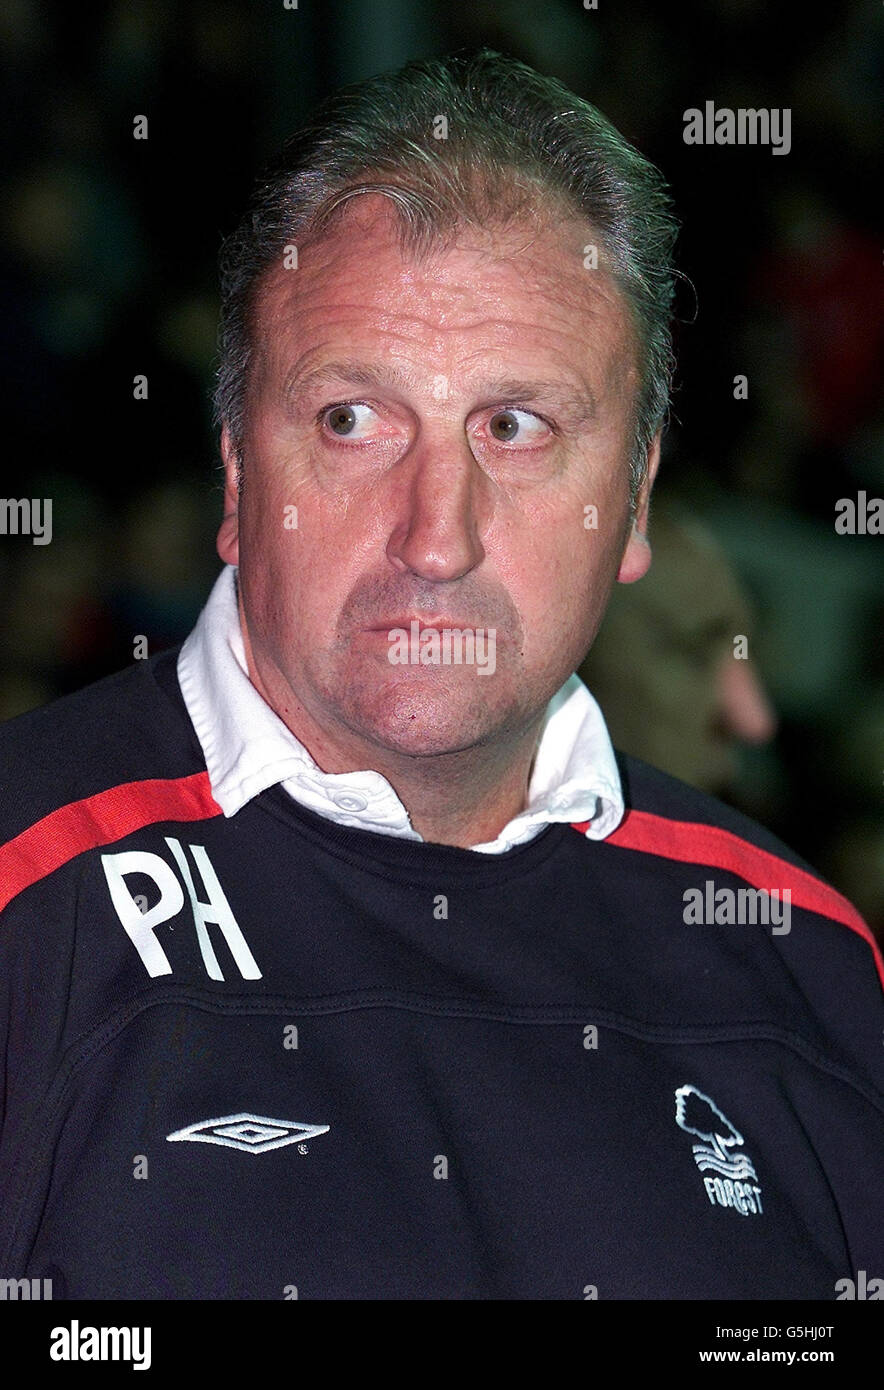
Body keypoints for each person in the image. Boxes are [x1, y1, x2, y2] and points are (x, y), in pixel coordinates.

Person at [1, 49, 881, 1301]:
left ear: (631, 502)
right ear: (238, 477)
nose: (435, 535)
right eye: (352, 419)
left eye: (514, 428)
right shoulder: (25, 897)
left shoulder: (808, 960)